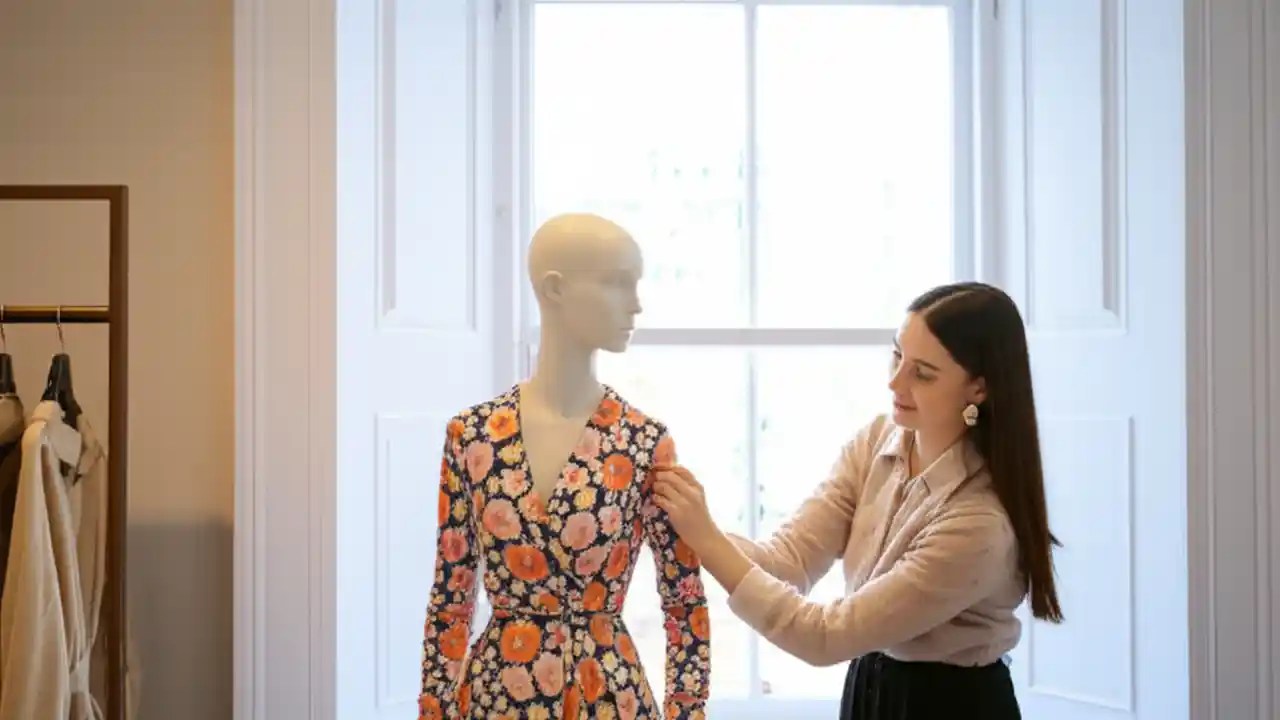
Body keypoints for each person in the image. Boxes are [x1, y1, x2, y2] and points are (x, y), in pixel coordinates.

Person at [652, 281, 1062, 719]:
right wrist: (688, 525)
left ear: (978, 390)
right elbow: (789, 559)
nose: (894, 381)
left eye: (922, 373)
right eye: (897, 355)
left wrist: (709, 541)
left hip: (948, 706)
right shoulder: (877, 442)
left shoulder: (978, 524)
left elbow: (824, 637)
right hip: (870, 689)